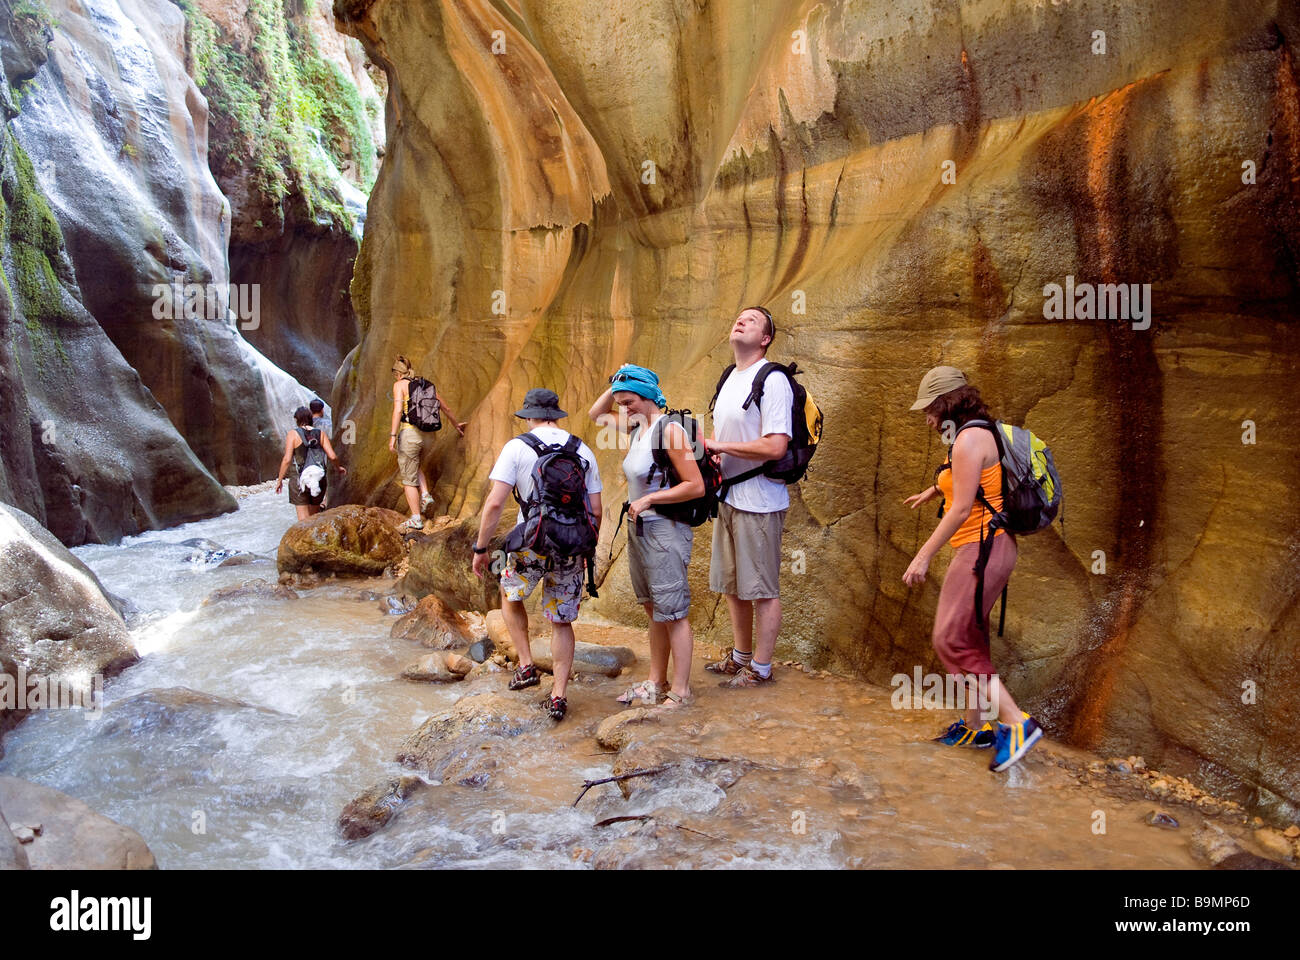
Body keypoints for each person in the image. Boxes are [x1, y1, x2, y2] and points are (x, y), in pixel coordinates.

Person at [902, 365, 1042, 772]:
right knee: (969, 638)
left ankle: (1017, 724)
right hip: (989, 548)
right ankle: (976, 726)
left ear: (946, 403)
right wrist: (934, 489)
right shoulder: (979, 431)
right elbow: (970, 482)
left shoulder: (967, 440)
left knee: (951, 639)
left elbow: (963, 507)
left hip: (983, 549)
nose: (927, 418)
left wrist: (923, 554)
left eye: (929, 409)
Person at [471, 388, 603, 722]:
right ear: (556, 416)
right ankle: (559, 696)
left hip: (530, 543)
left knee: (509, 593)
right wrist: (585, 546)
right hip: (570, 544)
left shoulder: (517, 448)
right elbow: (597, 509)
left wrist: (481, 548)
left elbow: (495, 502)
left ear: (529, 416)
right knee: (561, 619)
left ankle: (527, 665)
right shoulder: (582, 448)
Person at [589, 365, 704, 709]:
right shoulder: (639, 426)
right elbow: (596, 414)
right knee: (654, 608)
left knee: (674, 612)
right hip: (640, 527)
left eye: (631, 401)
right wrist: (618, 382)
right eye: (622, 403)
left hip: (665, 529)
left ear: (650, 396)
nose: (624, 409)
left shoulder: (669, 431)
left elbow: (695, 485)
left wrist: (651, 498)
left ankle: (681, 692)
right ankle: (657, 681)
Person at [703, 306, 793, 688]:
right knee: (732, 583)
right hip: (729, 495)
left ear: (766, 338)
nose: (740, 321)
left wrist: (719, 445)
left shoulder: (773, 380)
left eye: (752, 321)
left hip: (760, 499)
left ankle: (761, 668)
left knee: (762, 587)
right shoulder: (730, 377)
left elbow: (776, 446)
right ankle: (740, 657)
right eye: (738, 317)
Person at [389, 356, 467, 532]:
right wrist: (456, 425)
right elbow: (445, 407)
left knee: (408, 479)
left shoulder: (399, 385)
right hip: (430, 437)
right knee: (415, 465)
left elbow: (397, 410)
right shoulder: (426, 385)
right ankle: (425, 494)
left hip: (410, 434)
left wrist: (393, 435)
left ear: (397, 374)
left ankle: (416, 518)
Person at [276, 406, 345, 520]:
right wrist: (339, 468)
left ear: (296, 419)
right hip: (318, 477)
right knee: (314, 520)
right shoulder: (321, 433)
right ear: (310, 418)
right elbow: (332, 456)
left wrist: (280, 480)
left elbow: (287, 459)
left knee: (303, 522)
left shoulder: (293, 434)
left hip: (299, 480)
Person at [310, 398, 332, 507]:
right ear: (322, 410)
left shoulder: (306, 425)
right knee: (326, 478)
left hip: (310, 457)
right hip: (325, 455)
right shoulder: (328, 424)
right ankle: (325, 501)